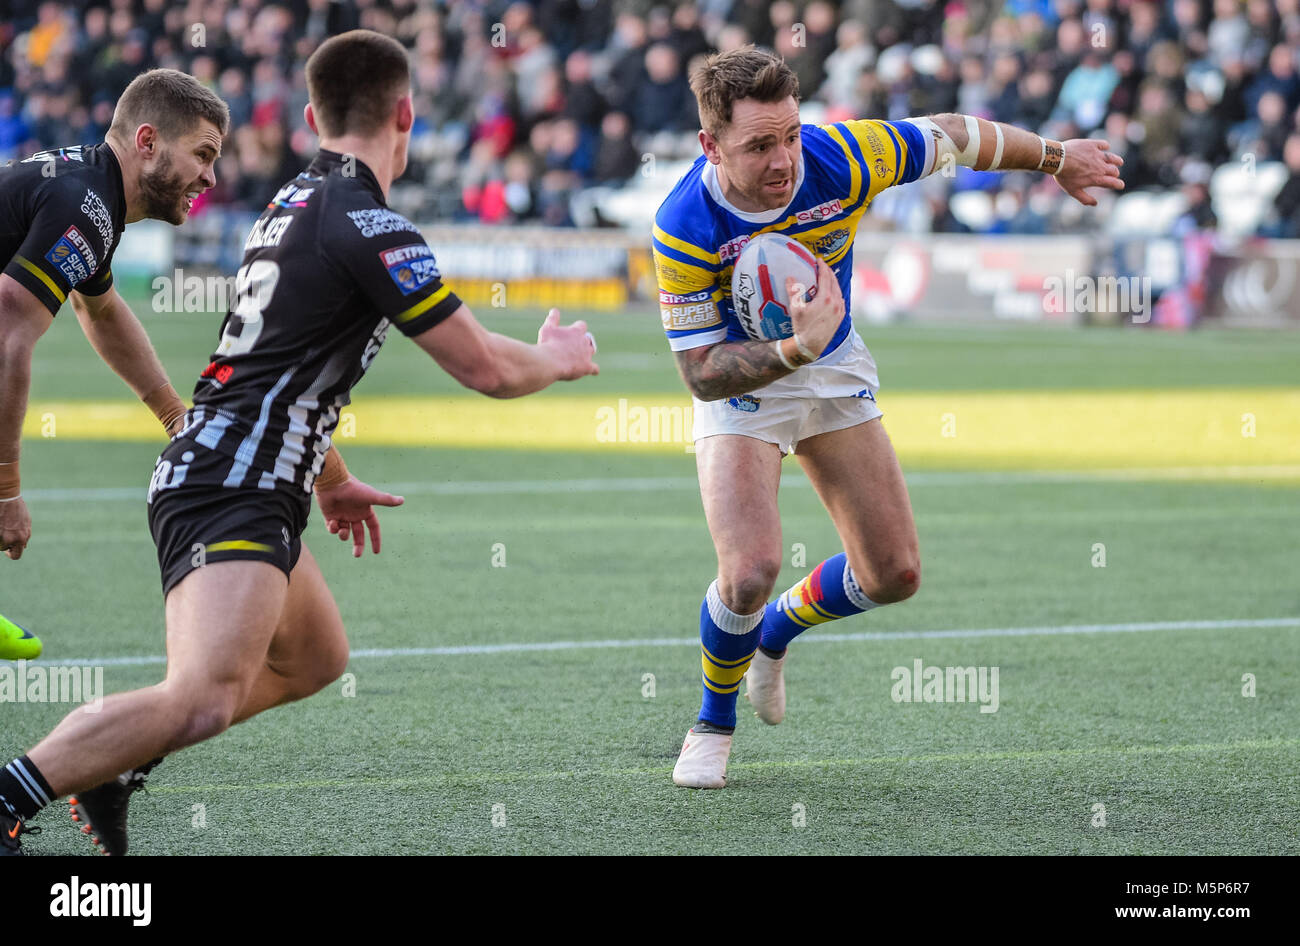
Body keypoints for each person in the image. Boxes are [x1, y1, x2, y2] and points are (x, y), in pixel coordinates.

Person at [0, 30, 598, 855]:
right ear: (407, 116)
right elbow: (487, 368)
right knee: (203, 696)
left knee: (315, 659)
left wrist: (330, 476)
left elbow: (282, 370)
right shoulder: (366, 222)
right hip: (231, 478)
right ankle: (16, 790)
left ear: (312, 116)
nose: (212, 172)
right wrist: (560, 360)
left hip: (249, 468)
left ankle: (113, 760)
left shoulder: (292, 206)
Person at [657, 47, 1122, 788]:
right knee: (747, 571)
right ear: (711, 146)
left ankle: (778, 630)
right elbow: (701, 374)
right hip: (745, 381)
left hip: (832, 365)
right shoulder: (684, 223)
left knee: (895, 574)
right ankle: (713, 720)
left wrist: (1057, 158)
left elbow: (954, 134)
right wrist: (786, 349)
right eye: (758, 145)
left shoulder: (839, 154)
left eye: (789, 133)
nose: (783, 160)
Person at [0, 68, 230, 660]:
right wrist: (4, 493)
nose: (210, 176)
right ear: (147, 142)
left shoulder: (93, 195)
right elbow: (7, 335)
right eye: (202, 155)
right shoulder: (88, 203)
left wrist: (179, 419)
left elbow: (101, 313)